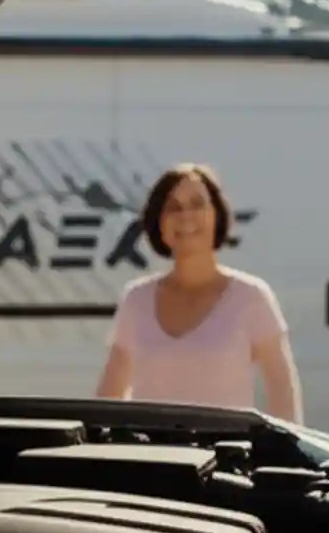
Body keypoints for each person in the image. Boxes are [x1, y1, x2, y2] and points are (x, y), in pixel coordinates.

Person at [95, 162, 304, 424]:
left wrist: (284, 458)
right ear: (158, 222)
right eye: (173, 207)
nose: (186, 216)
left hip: (225, 462)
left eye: (197, 204)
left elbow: (283, 395)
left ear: (217, 215)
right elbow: (108, 400)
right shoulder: (136, 299)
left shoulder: (251, 297)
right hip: (151, 459)